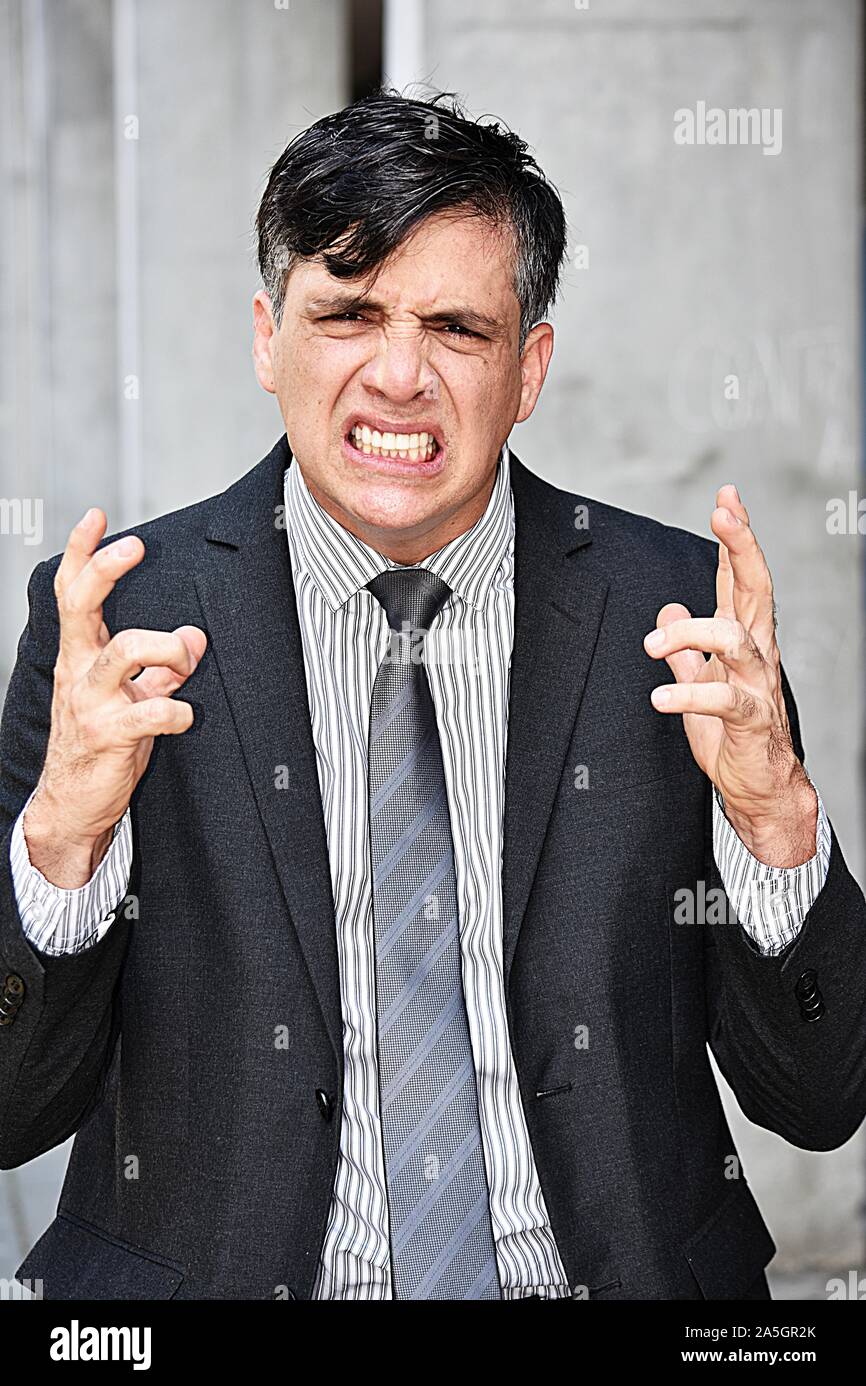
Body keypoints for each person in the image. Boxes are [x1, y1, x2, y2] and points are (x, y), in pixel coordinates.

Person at [1, 90, 863, 1302]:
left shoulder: (672, 613)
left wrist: (774, 818)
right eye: (346, 313)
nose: (397, 375)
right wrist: (62, 845)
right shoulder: (119, 624)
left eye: (456, 327)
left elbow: (821, 1097)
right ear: (267, 337)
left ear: (529, 368)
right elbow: (11, 1110)